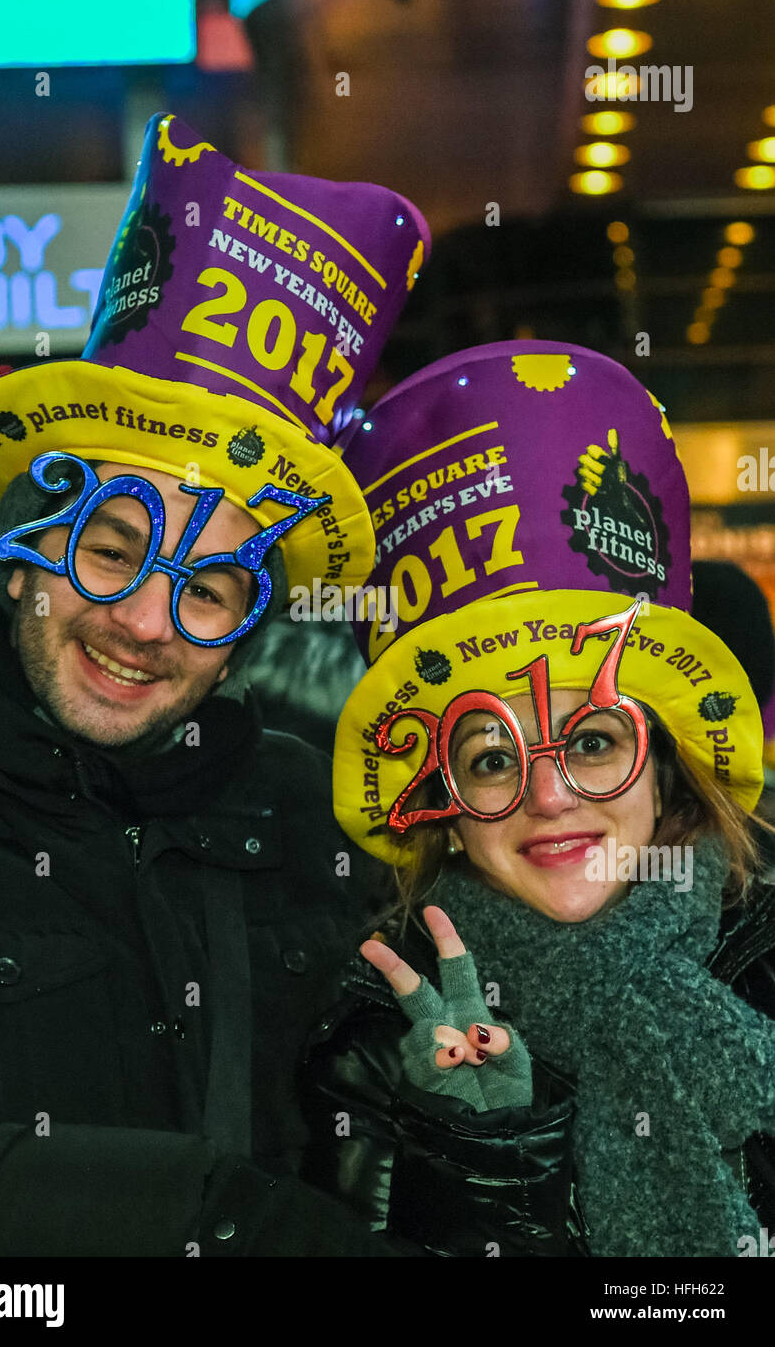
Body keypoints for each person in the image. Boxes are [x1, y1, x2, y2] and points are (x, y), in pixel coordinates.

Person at [0, 111, 431, 1255]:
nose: (145, 623)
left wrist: (470, 1153)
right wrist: (213, 1220)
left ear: (250, 623)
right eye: (110, 551)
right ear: (25, 547)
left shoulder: (296, 813)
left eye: (207, 587)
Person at [302, 341, 775, 1258]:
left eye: (593, 743)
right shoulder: (375, 1045)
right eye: (490, 761)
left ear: (664, 766)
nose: (549, 796)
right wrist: (486, 1154)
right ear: (444, 803)